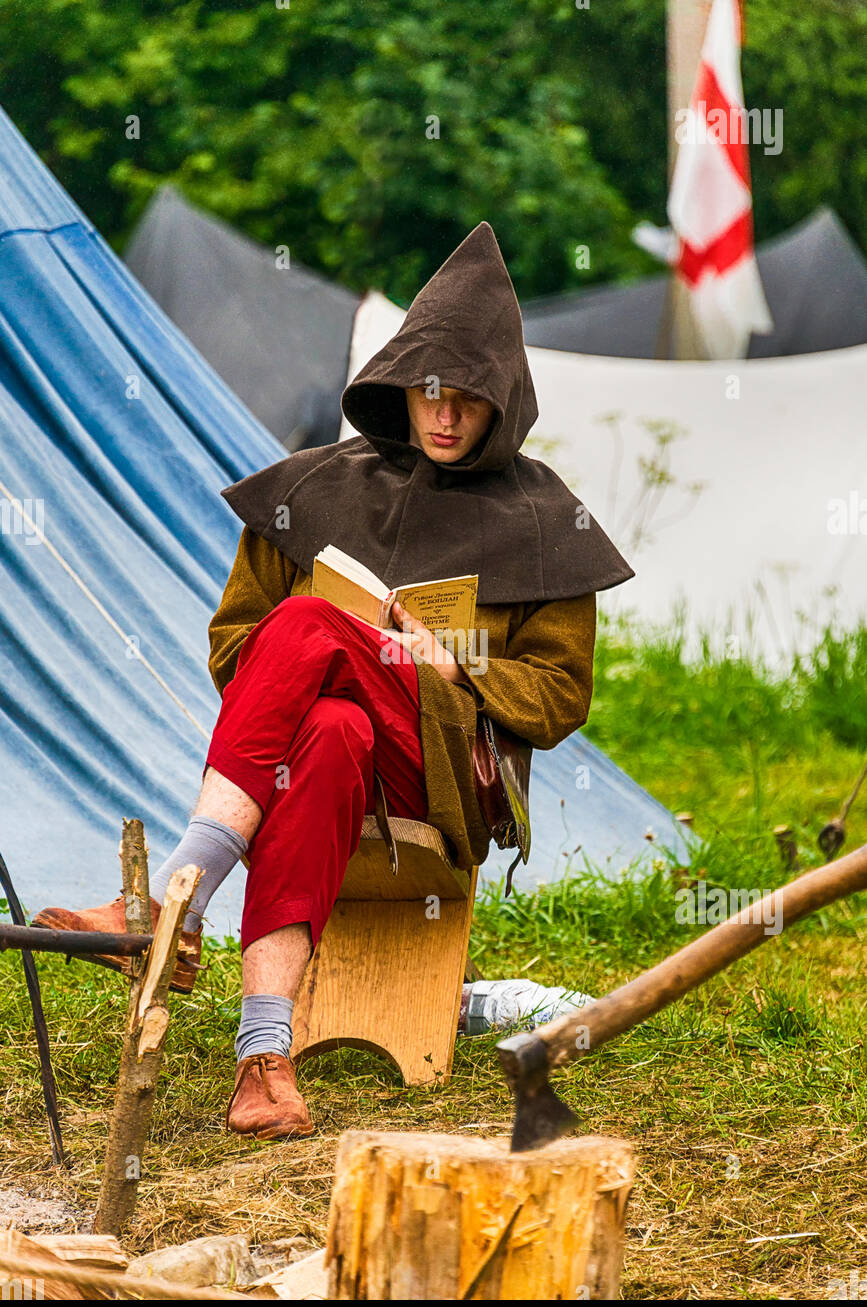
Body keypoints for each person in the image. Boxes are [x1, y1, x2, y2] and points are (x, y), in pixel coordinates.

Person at [34, 223, 633, 1140]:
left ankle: (169, 902)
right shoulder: (318, 486)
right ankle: (262, 1062)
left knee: (313, 623)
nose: (441, 415)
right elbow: (239, 641)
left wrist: (455, 669)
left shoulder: (543, 518)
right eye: (427, 392)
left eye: (466, 401)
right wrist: (326, 669)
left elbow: (559, 695)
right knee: (327, 732)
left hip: (440, 773)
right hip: (334, 752)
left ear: (501, 404)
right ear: (400, 384)